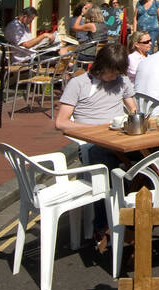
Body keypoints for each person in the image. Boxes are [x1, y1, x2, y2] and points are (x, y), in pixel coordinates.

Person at [54, 42, 137, 250]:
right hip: (92, 144)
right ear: (100, 65)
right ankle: (103, 226)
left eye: (118, 73)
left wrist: (134, 118)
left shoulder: (122, 81)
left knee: (151, 161)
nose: (114, 77)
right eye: (111, 72)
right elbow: (61, 122)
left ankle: (137, 220)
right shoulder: (79, 83)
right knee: (107, 172)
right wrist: (96, 129)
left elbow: (133, 108)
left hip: (120, 140)